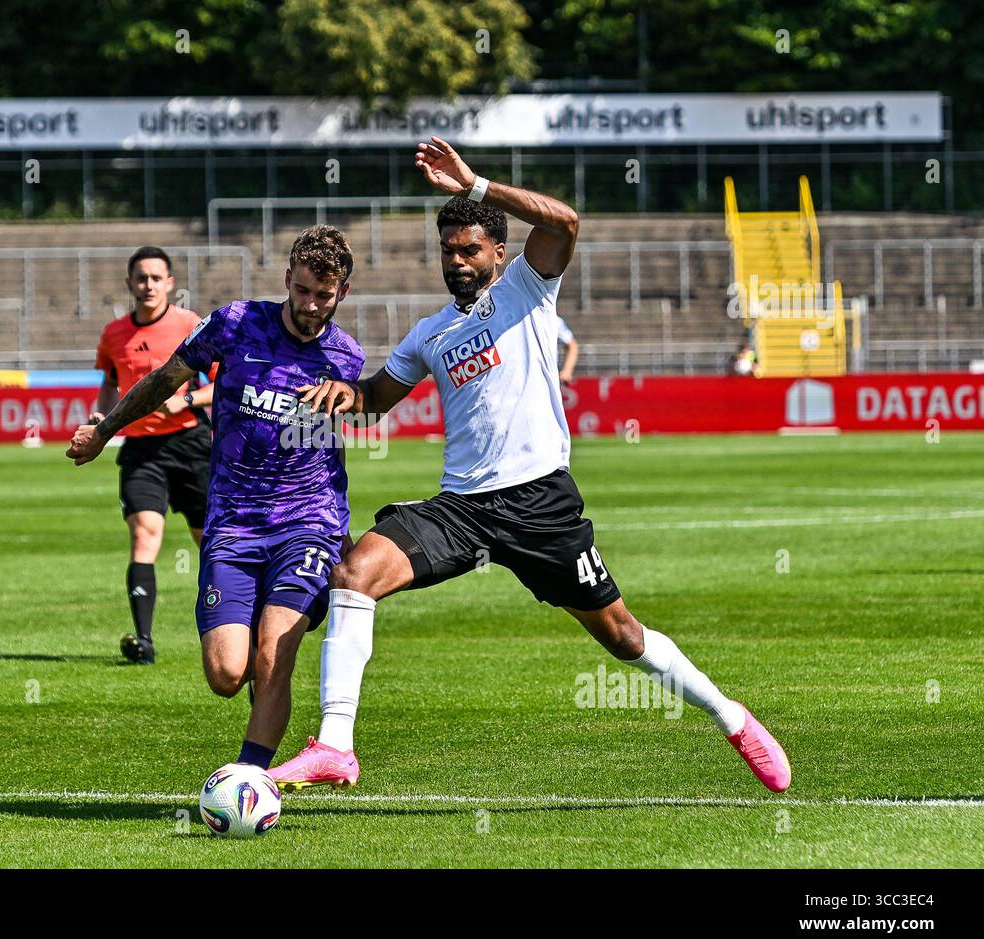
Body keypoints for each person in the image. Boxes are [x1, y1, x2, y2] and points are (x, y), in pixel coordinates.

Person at [270, 137, 791, 793]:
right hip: (462, 508)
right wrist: (345, 397)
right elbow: (378, 397)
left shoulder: (527, 287)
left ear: (498, 253)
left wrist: (474, 183)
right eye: (448, 252)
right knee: (355, 573)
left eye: (469, 251)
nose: (457, 263)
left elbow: (564, 222)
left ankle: (733, 718)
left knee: (623, 637)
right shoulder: (430, 333)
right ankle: (335, 746)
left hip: (541, 504)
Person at [68, 226, 365, 772]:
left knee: (275, 654)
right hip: (233, 521)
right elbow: (164, 381)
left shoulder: (344, 355)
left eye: (324, 295)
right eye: (302, 291)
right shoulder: (235, 324)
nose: (311, 305)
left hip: (306, 521)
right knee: (228, 674)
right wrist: (106, 428)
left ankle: (252, 781)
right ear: (287, 281)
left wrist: (342, 537)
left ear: (342, 293)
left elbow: (326, 448)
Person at [91, 246, 215, 665]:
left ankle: (227, 626)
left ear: (170, 284)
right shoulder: (113, 334)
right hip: (141, 449)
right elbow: (110, 382)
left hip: (192, 445)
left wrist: (190, 400)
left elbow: (227, 382)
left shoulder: (190, 324)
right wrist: (104, 414)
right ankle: (143, 641)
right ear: (129, 283)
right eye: (141, 278)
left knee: (210, 543)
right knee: (144, 534)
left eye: (156, 278)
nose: (148, 285)